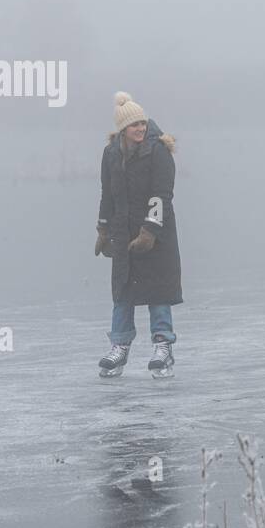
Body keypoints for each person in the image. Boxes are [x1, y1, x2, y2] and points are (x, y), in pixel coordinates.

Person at [95, 92, 183, 376]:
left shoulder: (157, 150)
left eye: (143, 123)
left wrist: (149, 231)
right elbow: (107, 194)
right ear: (123, 129)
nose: (141, 129)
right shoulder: (111, 154)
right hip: (123, 233)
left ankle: (163, 346)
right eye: (135, 125)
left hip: (156, 235)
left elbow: (161, 195)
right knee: (123, 292)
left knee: (158, 292)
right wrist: (103, 228)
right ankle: (119, 347)